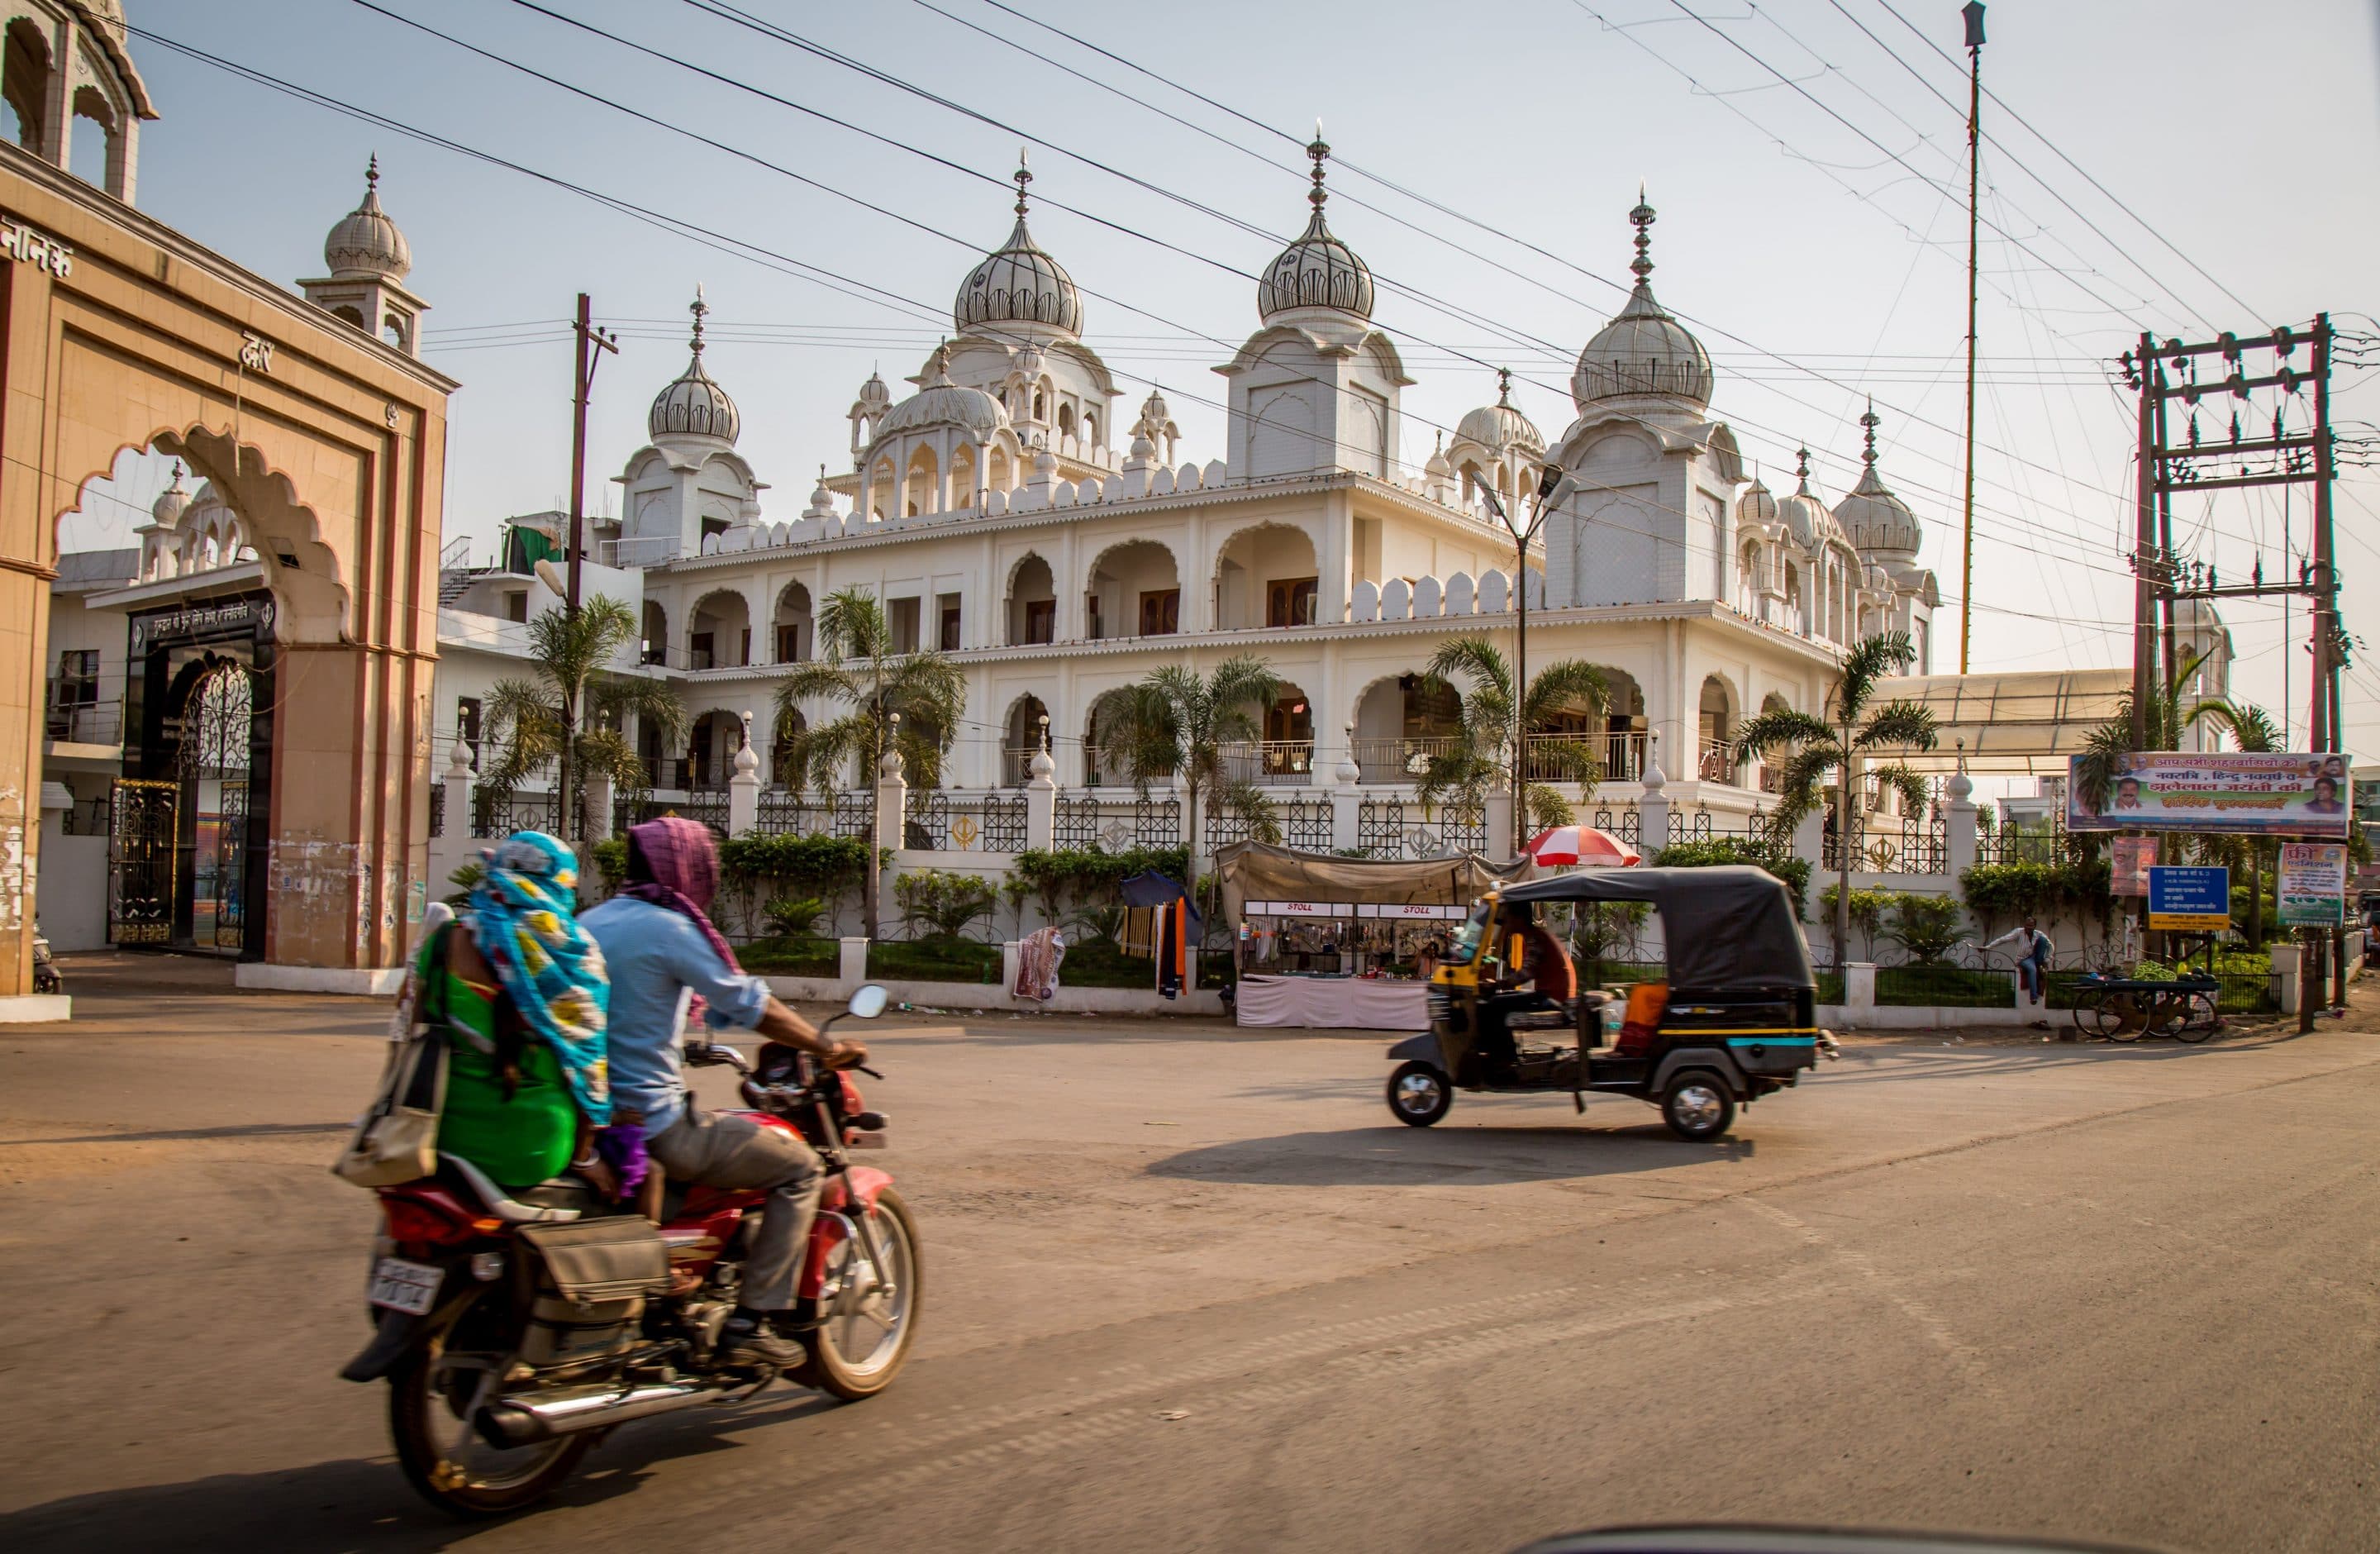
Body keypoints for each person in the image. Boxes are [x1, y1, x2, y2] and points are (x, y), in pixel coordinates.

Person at [579, 818, 867, 1369]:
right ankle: (751, 1321)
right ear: (687, 871)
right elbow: (750, 1006)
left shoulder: (591, 920)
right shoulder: (669, 929)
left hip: (593, 1119)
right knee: (801, 1168)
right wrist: (824, 1046)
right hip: (655, 1126)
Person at [426, 832, 613, 1193]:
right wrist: (585, 1157)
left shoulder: (443, 941)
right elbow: (590, 1066)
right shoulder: (575, 955)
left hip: (445, 1137)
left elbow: (407, 1029)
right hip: (535, 1148)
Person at [1983, 915, 2054, 1025]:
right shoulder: (2019, 932)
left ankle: (2041, 964)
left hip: (2035, 957)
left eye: (2031, 926)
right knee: (2032, 970)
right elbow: (2003, 939)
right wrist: (1988, 947)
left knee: (2043, 940)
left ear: (2035, 926)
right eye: (2027, 925)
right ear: (2024, 925)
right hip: (2024, 959)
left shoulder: (2038, 934)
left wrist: (2048, 957)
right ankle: (2033, 997)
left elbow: (2050, 945)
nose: (2029, 928)